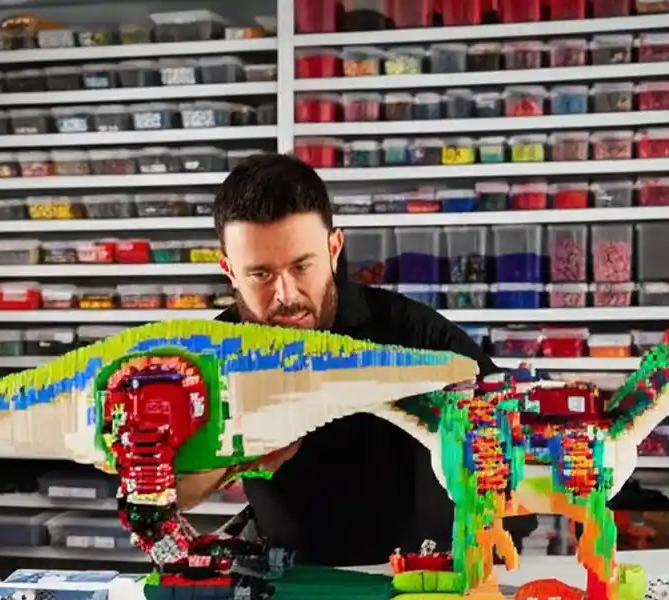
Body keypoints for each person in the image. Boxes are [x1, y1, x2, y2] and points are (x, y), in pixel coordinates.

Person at [176, 152, 536, 566]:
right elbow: (166, 494)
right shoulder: (211, 356)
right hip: (285, 580)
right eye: (261, 275)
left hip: (418, 575)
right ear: (229, 271)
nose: (286, 295)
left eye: (301, 266)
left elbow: (519, 466)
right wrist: (242, 457)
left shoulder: (416, 335)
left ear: (333, 249)